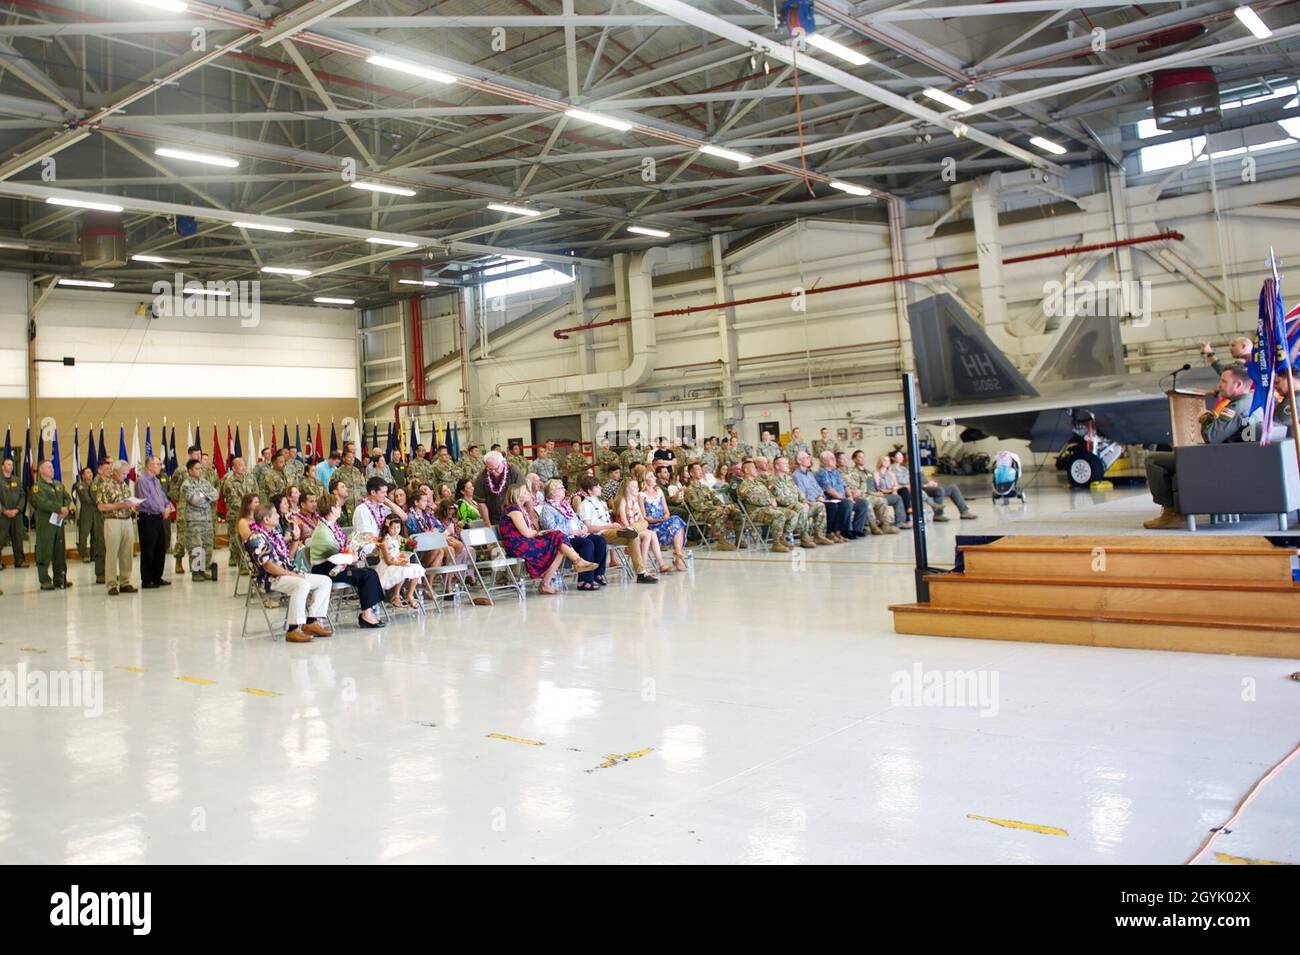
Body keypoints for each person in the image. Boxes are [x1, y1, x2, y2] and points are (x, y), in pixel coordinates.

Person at [1144, 366, 1254, 529]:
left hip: (1224, 461)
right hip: (1237, 458)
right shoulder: (1251, 401)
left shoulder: (1235, 408)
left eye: (1224, 381)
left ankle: (1172, 513)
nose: (1219, 385)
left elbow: (1212, 437)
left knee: (1153, 460)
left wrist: (1205, 419)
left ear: (1238, 384)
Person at [244, 503, 333, 643]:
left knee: (325, 581)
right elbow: (268, 566)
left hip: (285, 573)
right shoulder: (256, 538)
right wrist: (290, 574)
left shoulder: (274, 534)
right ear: (266, 520)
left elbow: (289, 558)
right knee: (301, 584)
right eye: (275, 514)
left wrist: (296, 539)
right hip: (269, 579)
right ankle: (293, 629)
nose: (279, 515)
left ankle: (312, 621)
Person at [500, 484, 596, 594]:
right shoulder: (513, 509)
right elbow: (526, 533)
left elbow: (529, 532)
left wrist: (540, 532)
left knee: (559, 540)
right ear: (517, 494)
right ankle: (577, 562)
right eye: (525, 491)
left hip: (525, 542)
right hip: (518, 545)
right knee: (558, 541)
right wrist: (539, 532)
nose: (528, 493)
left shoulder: (521, 509)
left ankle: (550, 581)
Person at [307, 498, 385, 628]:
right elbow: (334, 555)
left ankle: (368, 612)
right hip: (325, 570)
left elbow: (343, 548)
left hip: (336, 565)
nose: (340, 509)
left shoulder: (332, 526)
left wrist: (357, 545)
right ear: (332, 509)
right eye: (338, 506)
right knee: (367, 575)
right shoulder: (322, 531)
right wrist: (352, 556)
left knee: (370, 572)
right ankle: (367, 614)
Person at [576, 474, 654, 582]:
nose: (601, 488)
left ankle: (641, 572)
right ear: (589, 491)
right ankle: (641, 572)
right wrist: (609, 526)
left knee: (638, 529)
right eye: (597, 486)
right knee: (633, 535)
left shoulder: (601, 502)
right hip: (600, 533)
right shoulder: (585, 505)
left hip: (612, 529)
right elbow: (588, 528)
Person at [538, 479, 607, 589]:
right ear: (553, 492)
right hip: (563, 539)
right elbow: (552, 529)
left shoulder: (565, 505)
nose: (564, 489)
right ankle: (584, 581)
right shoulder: (547, 509)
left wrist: (582, 527)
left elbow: (576, 519)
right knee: (587, 544)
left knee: (600, 541)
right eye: (561, 488)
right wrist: (574, 532)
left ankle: (597, 573)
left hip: (577, 534)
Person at [888, 450, 976, 522]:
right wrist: (925, 484)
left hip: (922, 485)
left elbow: (920, 478)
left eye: (902, 455)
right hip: (914, 488)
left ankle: (964, 511)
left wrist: (930, 482)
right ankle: (938, 514)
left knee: (952, 487)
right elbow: (907, 482)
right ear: (893, 458)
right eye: (899, 456)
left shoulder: (905, 468)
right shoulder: (893, 469)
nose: (903, 457)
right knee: (939, 490)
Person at [737, 460, 800, 553]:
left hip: (767, 509)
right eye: (753, 468)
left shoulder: (759, 483)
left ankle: (783, 538)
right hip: (755, 512)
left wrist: (772, 499)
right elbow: (754, 499)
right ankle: (776, 543)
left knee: (793, 514)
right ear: (746, 470)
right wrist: (769, 502)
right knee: (779, 515)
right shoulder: (743, 485)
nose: (755, 470)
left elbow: (769, 494)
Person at [95, 459, 138, 595]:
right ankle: (111, 584)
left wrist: (133, 506)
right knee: (112, 553)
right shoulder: (105, 485)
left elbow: (128, 501)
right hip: (113, 520)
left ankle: (125, 582)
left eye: (126, 474)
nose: (125, 476)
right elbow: (101, 506)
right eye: (123, 473)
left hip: (127, 520)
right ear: (115, 472)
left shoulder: (124, 486)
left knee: (127, 553)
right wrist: (120, 505)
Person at [31, 459, 72, 591]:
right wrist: (60, 509)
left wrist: (65, 508)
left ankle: (60, 578)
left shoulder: (58, 484)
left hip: (58, 523)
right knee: (45, 551)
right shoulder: (38, 487)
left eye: (52, 467)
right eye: (49, 467)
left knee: (59, 551)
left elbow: (67, 497)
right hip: (45, 524)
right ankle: (44, 580)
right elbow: (43, 503)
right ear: (41, 470)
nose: (52, 469)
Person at [767, 456, 823, 546]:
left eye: (787, 463)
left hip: (797, 505)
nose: (787, 465)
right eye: (784, 464)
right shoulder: (772, 480)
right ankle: (804, 536)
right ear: (777, 466)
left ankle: (818, 535)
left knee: (819, 505)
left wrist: (804, 501)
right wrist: (799, 503)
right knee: (800, 507)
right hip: (785, 507)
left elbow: (798, 491)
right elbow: (779, 498)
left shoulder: (789, 478)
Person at [136, 455, 174, 588]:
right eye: (158, 464)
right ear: (150, 465)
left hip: (159, 517)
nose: (160, 466)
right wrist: (161, 509)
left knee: (160, 547)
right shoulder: (142, 480)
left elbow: (163, 496)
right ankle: (147, 579)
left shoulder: (156, 481)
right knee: (148, 548)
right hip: (148, 517)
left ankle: (157, 577)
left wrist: (168, 506)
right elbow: (146, 500)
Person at [683, 463, 741, 550]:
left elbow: (715, 499)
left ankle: (739, 539)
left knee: (735, 510)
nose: (701, 471)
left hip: (711, 511)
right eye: (698, 469)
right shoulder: (690, 489)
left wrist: (724, 505)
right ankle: (722, 542)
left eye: (700, 469)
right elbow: (698, 506)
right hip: (700, 513)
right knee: (721, 512)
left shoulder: (704, 487)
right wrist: (716, 508)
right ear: (691, 473)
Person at [181, 458, 220, 581]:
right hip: (194, 521)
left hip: (207, 520)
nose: (200, 471)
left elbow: (215, 495)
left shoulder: (205, 482)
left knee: (207, 546)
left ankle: (203, 570)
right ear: (190, 471)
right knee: (196, 547)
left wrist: (203, 495)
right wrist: (205, 496)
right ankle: (196, 572)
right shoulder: (187, 485)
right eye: (197, 469)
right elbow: (195, 500)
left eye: (200, 468)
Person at [642, 471, 688, 571]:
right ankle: (678, 557)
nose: (654, 478)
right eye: (650, 476)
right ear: (645, 480)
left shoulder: (659, 491)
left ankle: (677, 554)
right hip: (651, 525)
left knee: (676, 520)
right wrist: (656, 520)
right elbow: (643, 516)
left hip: (662, 521)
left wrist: (666, 517)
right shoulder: (641, 495)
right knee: (676, 522)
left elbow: (666, 510)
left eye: (654, 476)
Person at [818, 450, 869, 539]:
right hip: (831, 499)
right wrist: (843, 498)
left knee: (863, 503)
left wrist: (850, 496)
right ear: (824, 461)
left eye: (834, 458)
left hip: (842, 498)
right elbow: (829, 489)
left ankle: (857, 530)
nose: (834, 460)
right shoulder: (822, 473)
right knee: (847, 503)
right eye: (831, 459)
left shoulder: (835, 472)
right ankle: (845, 530)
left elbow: (845, 486)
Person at [376, 514, 423, 608]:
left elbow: (403, 555)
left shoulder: (401, 539)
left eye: (398, 527)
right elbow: (388, 561)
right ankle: (396, 596)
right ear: (387, 528)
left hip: (399, 563)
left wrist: (407, 555)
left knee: (418, 568)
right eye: (393, 528)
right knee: (402, 570)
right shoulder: (384, 541)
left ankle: (409, 594)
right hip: (387, 566)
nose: (396, 530)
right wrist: (400, 563)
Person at [221, 457, 259, 569]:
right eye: (240, 465)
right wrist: (248, 508)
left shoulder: (251, 478)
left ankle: (247, 561)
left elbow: (256, 494)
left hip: (251, 514)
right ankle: (241, 565)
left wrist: (254, 508)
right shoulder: (229, 481)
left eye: (244, 464)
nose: (243, 467)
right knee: (236, 539)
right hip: (235, 514)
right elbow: (233, 500)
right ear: (233, 468)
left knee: (249, 538)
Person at [473, 450, 524, 524]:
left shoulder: (514, 471)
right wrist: (487, 523)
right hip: (494, 518)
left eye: (496, 468)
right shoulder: (482, 477)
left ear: (503, 462)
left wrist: (530, 517)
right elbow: (481, 503)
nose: (493, 471)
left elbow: (525, 495)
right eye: (490, 469)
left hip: (516, 516)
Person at [0, 457, 27, 570]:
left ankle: (19, 561)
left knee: (18, 538)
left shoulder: (16, 480)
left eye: (11, 464)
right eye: (8, 464)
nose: (10, 466)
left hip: (16, 515)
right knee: (0, 538)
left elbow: (22, 496)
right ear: (2, 467)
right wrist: (4, 510)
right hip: (3, 515)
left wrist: (17, 509)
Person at [871, 454, 912, 529]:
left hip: (891, 492)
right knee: (898, 498)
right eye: (884, 460)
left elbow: (896, 485)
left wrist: (894, 490)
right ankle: (902, 520)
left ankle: (907, 513)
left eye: (888, 460)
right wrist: (891, 490)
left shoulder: (891, 473)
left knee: (903, 490)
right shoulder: (876, 473)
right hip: (882, 494)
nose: (887, 462)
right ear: (880, 461)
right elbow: (878, 488)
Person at [72, 466, 95, 564]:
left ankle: (94, 554)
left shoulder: (95, 484)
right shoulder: (80, 486)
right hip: (86, 512)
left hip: (96, 512)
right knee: (84, 534)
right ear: (83, 475)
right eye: (87, 472)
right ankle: (84, 554)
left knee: (96, 534)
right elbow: (87, 499)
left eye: (91, 472)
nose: (90, 474)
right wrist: (98, 500)